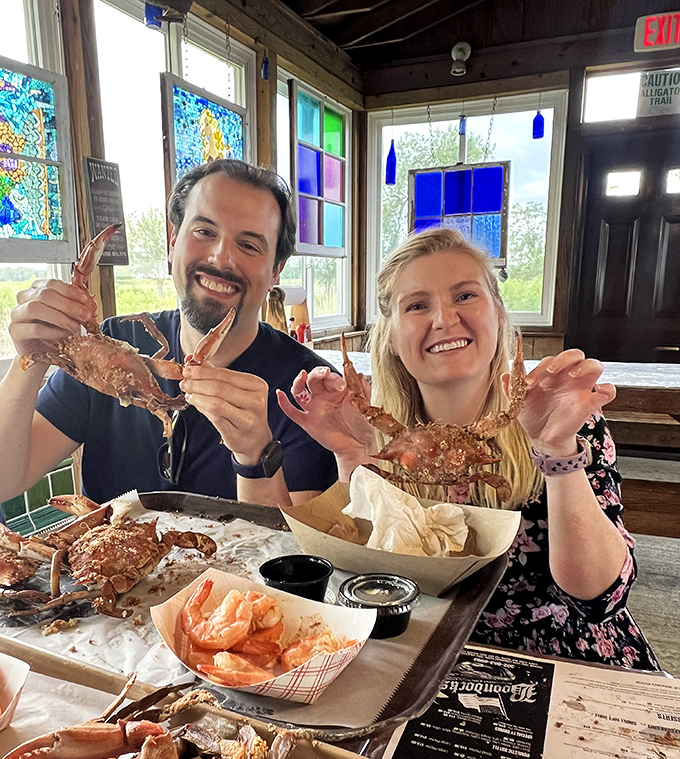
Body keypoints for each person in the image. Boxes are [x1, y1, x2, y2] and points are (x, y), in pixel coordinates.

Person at [278, 228, 660, 671]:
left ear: (498, 312)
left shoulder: (561, 417)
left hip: (568, 663)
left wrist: (556, 451)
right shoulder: (375, 429)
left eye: (465, 296)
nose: (443, 319)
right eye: (417, 305)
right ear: (392, 336)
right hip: (427, 659)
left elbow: (600, 598)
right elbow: (364, 579)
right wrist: (352, 458)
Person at [0, 159, 337, 508]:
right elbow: (5, 479)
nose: (221, 257)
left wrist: (257, 455)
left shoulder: (306, 392)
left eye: (250, 245)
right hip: (101, 559)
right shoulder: (112, 347)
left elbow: (292, 555)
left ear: (275, 271)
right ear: (173, 244)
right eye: (205, 232)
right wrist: (32, 357)